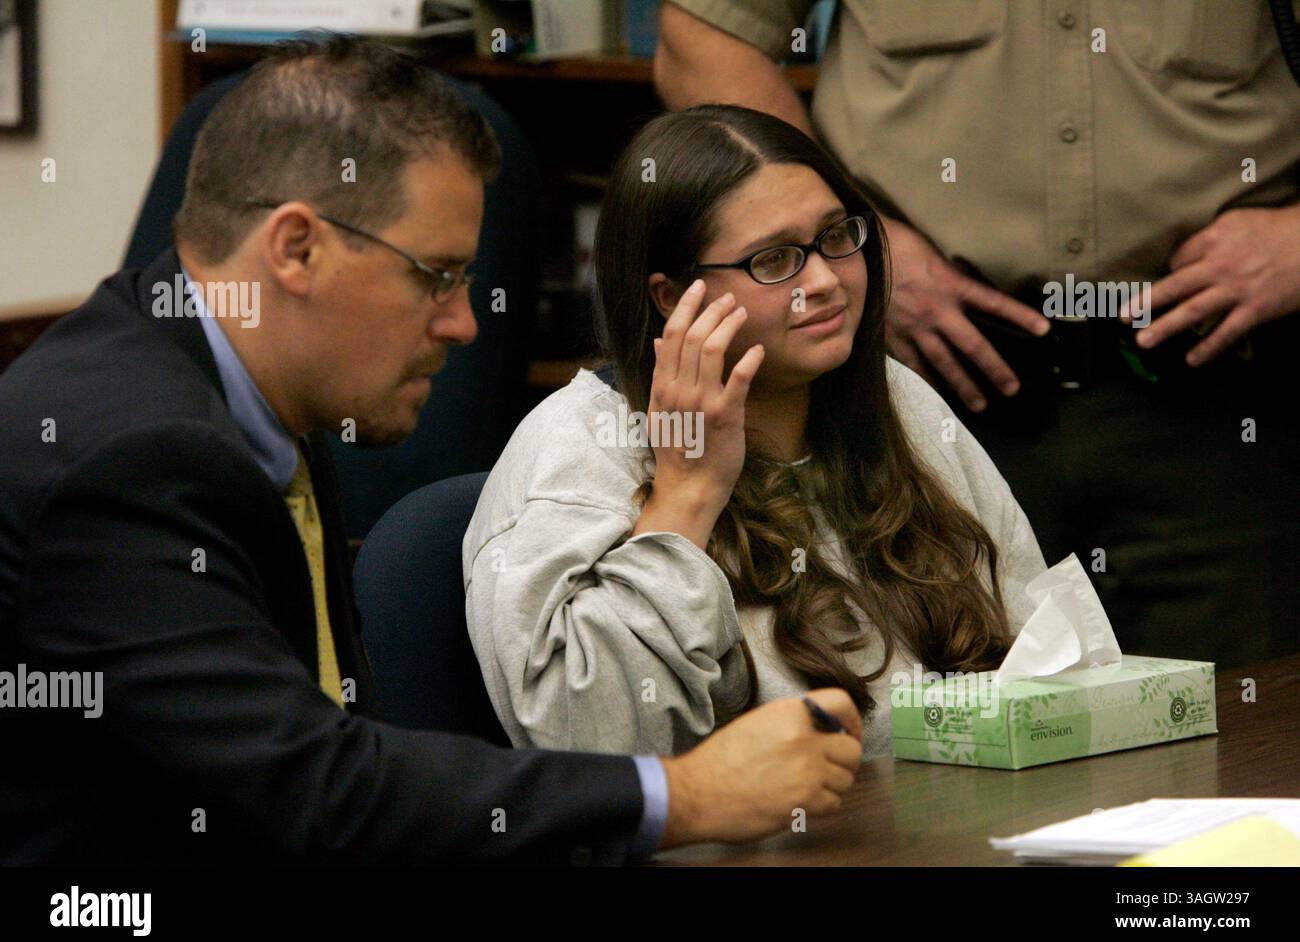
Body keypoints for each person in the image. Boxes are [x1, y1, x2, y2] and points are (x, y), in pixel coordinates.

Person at [0, 35, 864, 866]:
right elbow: (314, 788)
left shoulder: (242, 383)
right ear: (297, 249)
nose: (463, 323)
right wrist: (683, 795)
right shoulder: (131, 457)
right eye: (438, 275)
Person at [655, 0, 1300, 668]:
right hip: (922, 406)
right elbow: (703, 33)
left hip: (1231, 405)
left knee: (1247, 737)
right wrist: (853, 246)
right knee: (934, 735)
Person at [463, 104, 1049, 757]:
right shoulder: (575, 452)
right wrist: (685, 492)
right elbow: (595, 750)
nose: (824, 281)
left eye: (836, 237)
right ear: (671, 298)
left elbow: (1044, 662)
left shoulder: (897, 396)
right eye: (775, 261)